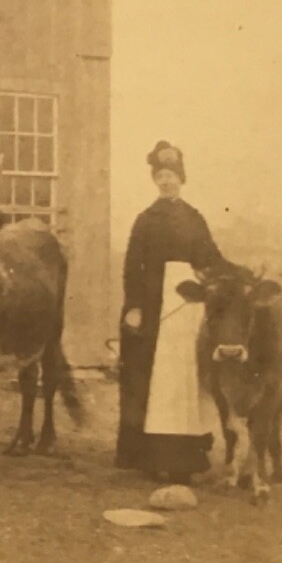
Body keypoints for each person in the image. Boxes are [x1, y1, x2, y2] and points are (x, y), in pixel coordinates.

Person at [116, 140, 231, 482]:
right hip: (152, 311)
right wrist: (134, 307)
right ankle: (150, 458)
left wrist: (240, 273)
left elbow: (211, 260)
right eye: (161, 176)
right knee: (151, 381)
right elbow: (131, 268)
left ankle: (186, 459)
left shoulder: (194, 219)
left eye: (172, 176)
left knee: (184, 381)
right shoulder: (145, 220)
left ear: (182, 179)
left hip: (188, 310)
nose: (167, 181)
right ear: (155, 180)